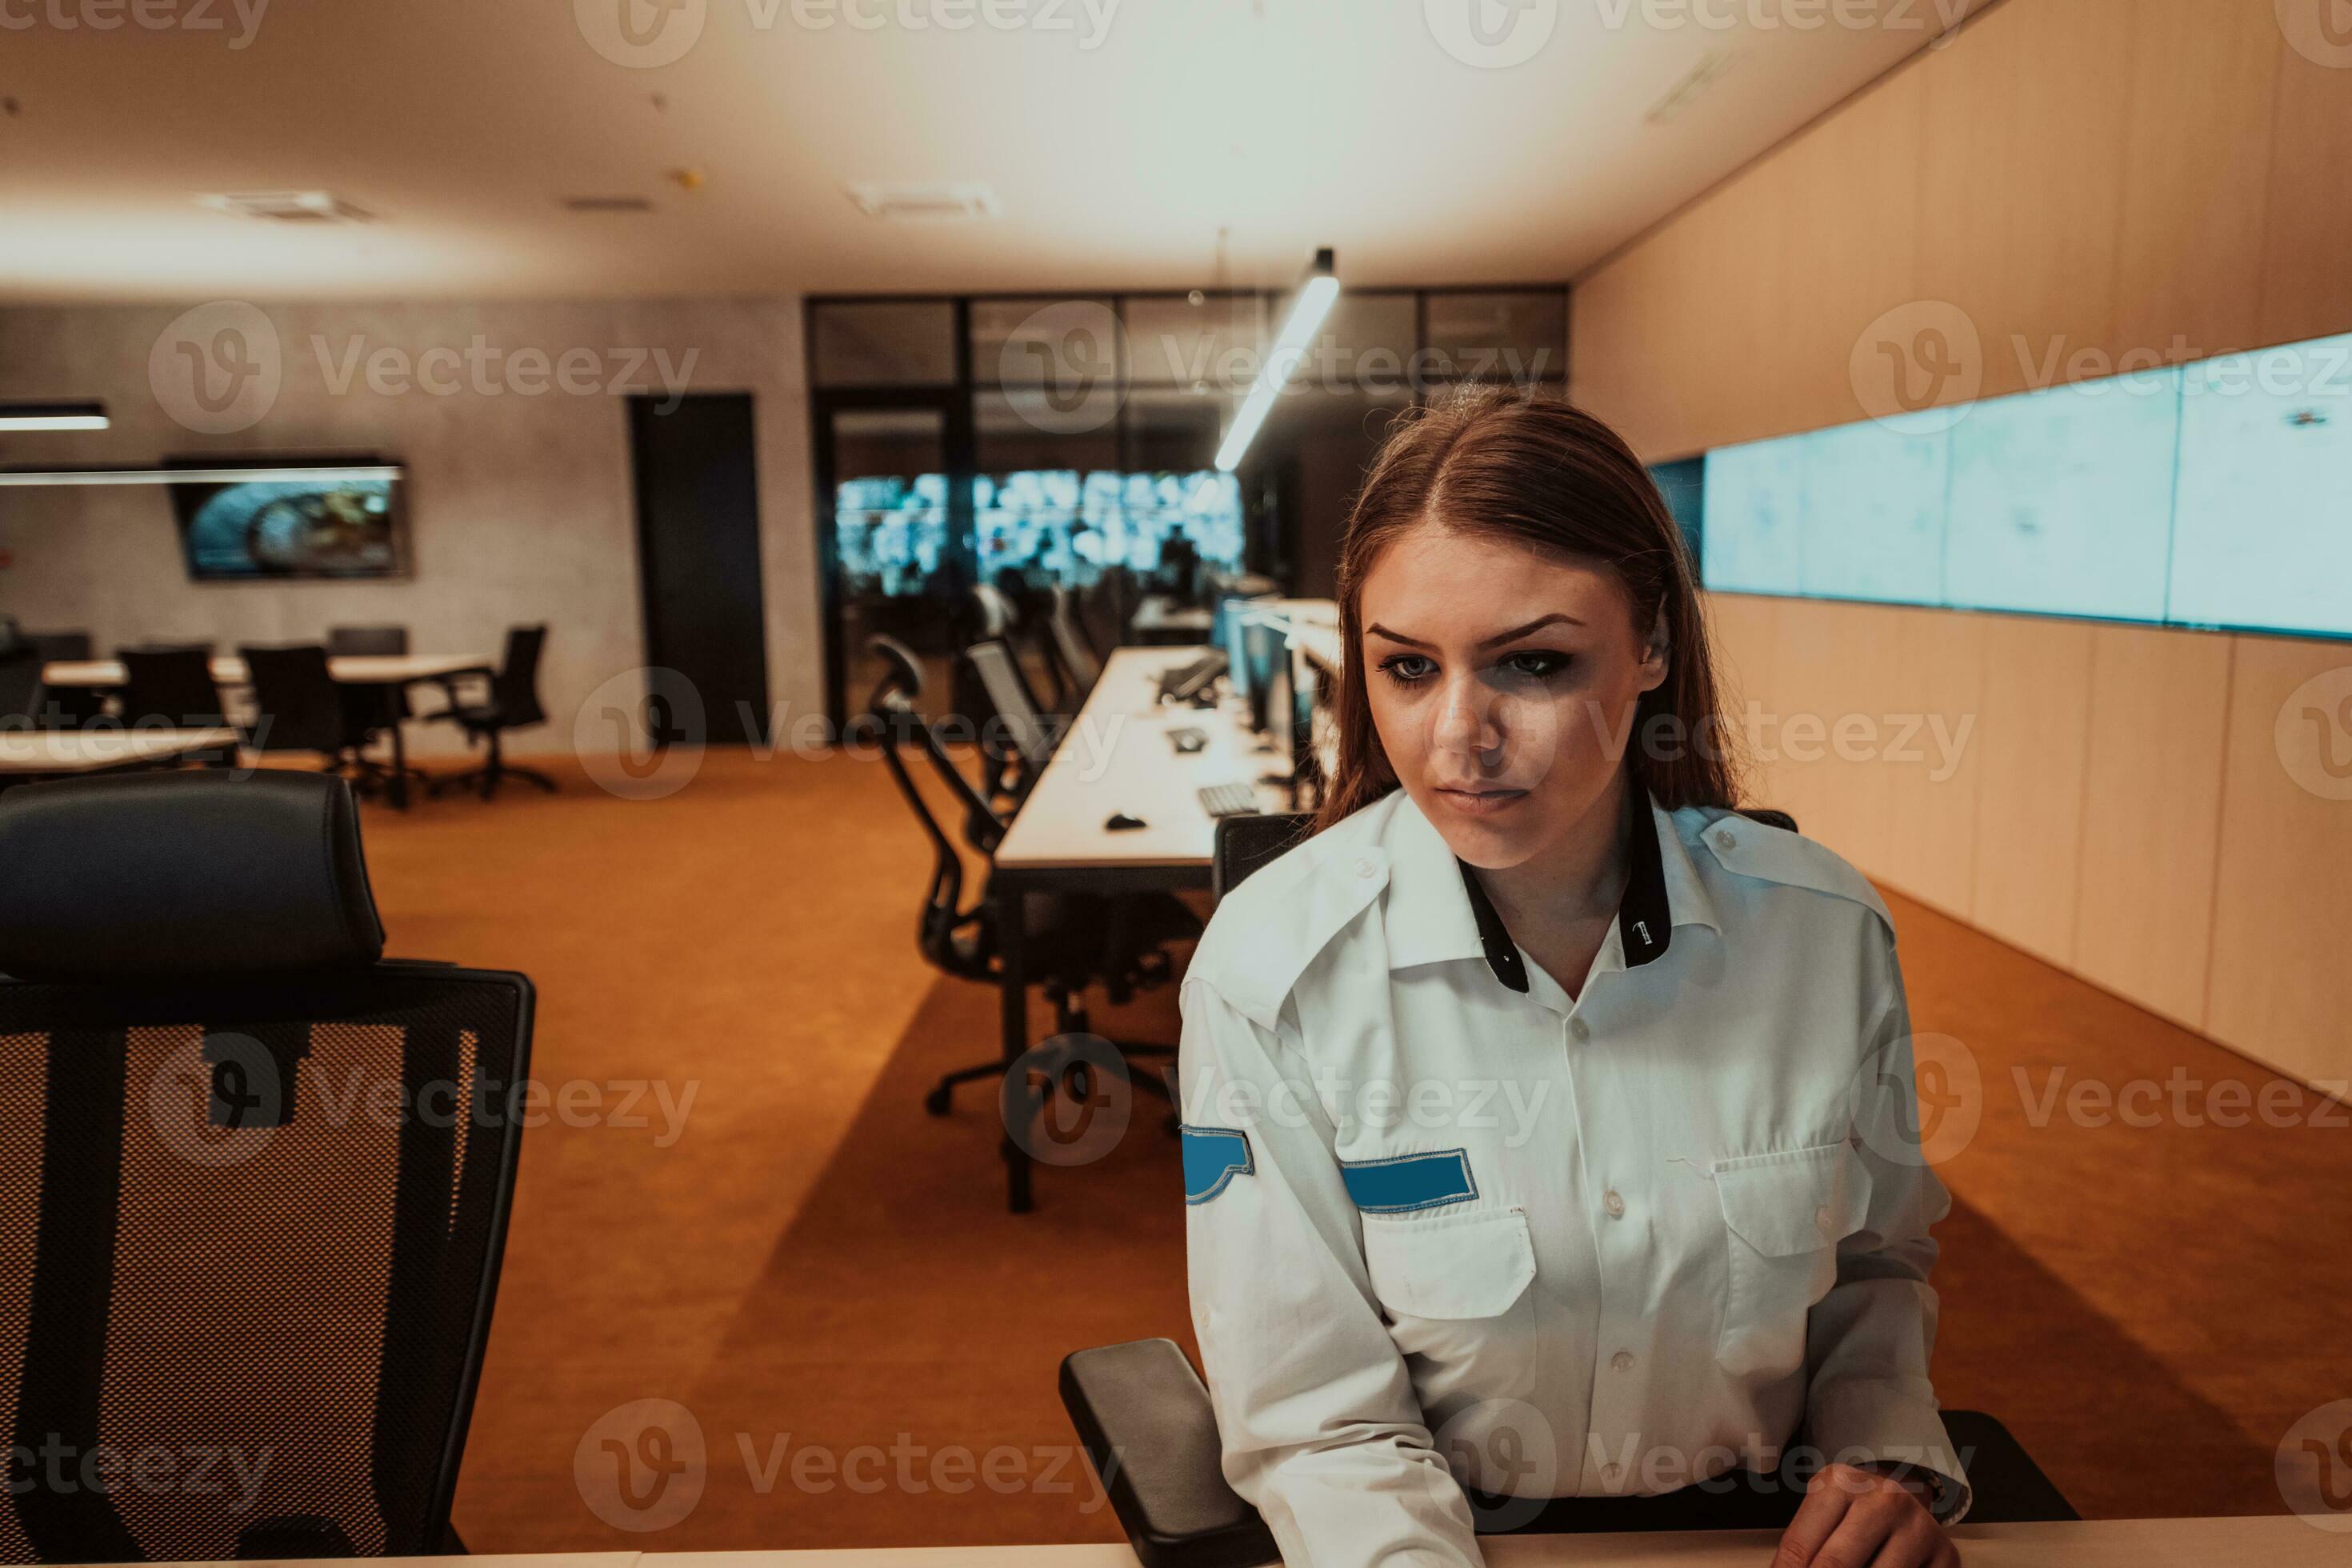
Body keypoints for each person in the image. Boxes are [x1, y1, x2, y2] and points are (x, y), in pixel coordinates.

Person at [1178, 386, 1966, 1566]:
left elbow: (1874, 1270)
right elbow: (1318, 1424)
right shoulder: (1271, 970)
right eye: (1406, 670)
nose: (1458, 738)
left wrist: (1882, 1454)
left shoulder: (1823, 937)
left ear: (1650, 645)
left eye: (1532, 664)